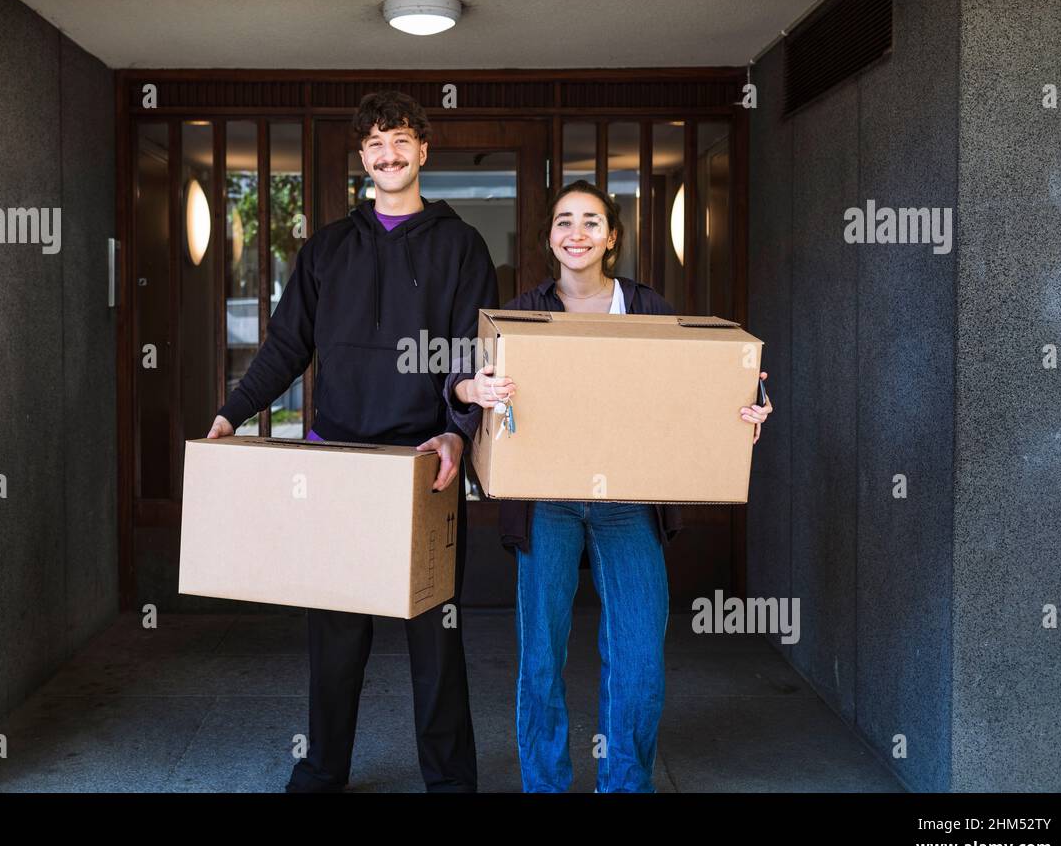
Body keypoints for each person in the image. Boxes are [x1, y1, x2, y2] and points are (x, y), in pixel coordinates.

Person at [208, 91, 498, 792]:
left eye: (400, 140)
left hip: (423, 465)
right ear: (362, 158)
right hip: (337, 462)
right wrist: (232, 414)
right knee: (335, 640)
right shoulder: (327, 250)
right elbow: (284, 347)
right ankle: (324, 770)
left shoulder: (462, 247)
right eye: (374, 144)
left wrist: (456, 436)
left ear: (423, 151)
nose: (388, 155)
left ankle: (452, 782)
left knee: (435, 638)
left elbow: (472, 358)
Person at [444, 179, 773, 792]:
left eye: (591, 222)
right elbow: (462, 383)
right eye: (565, 221)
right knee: (542, 658)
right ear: (549, 236)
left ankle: (625, 782)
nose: (577, 233)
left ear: (612, 236)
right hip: (549, 501)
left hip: (628, 503)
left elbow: (698, 385)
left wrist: (747, 406)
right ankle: (545, 784)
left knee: (640, 658)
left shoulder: (646, 306)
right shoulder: (519, 310)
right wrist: (475, 390)